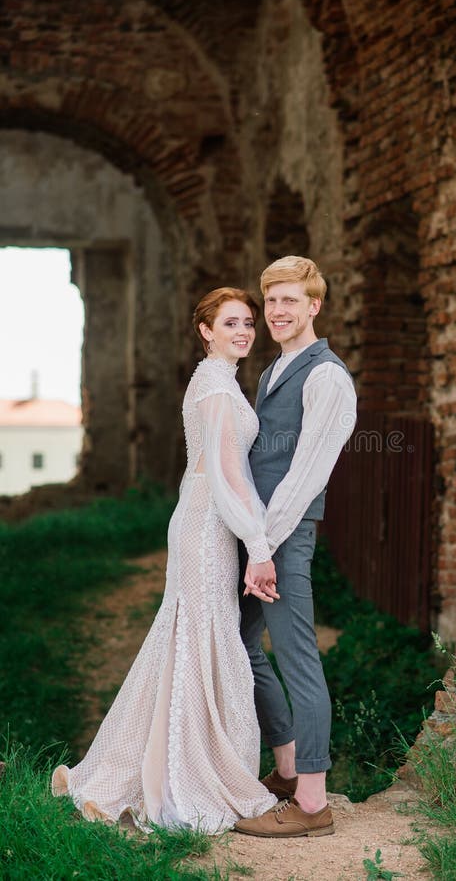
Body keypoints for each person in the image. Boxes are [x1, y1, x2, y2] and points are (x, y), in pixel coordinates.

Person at [51, 288, 279, 833]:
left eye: (248, 322)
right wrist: (261, 544)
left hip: (203, 519)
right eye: (230, 323)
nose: (244, 331)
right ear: (205, 330)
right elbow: (228, 477)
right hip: (206, 525)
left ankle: (129, 766)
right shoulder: (216, 388)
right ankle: (183, 777)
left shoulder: (216, 380)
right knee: (203, 637)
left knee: (187, 640)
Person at [234, 256, 357, 839]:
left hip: (283, 538)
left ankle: (312, 801)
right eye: (272, 302)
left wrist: (266, 546)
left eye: (291, 301)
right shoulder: (273, 370)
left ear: (314, 306)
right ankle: (286, 765)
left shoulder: (326, 376)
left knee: (296, 655)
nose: (279, 312)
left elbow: (306, 474)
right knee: (239, 643)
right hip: (259, 536)